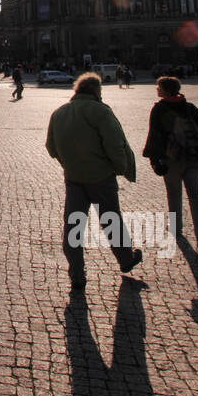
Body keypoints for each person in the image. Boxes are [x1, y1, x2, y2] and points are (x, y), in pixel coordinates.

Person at [45, 71, 142, 294]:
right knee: (111, 221)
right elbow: (115, 143)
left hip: (73, 178)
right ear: (96, 91)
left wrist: (68, 163)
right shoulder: (100, 112)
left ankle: (77, 275)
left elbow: (51, 147)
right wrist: (120, 167)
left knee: (73, 228)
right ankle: (126, 259)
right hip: (101, 178)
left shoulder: (59, 113)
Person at [142, 76, 198, 253]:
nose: (157, 90)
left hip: (172, 158)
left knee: (174, 193)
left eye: (159, 87)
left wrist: (154, 160)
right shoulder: (189, 107)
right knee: (196, 195)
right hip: (195, 157)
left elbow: (155, 137)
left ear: (165, 90)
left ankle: (176, 229)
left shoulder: (159, 109)